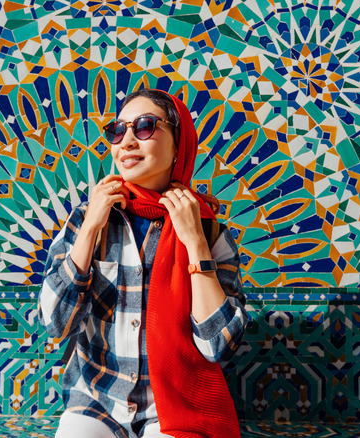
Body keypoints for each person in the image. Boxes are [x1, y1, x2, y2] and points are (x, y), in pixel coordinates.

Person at [39, 89, 249, 438]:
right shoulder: (87, 218)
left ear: (179, 144)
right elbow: (54, 323)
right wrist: (90, 227)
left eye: (146, 127)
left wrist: (194, 242)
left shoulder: (207, 229)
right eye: (118, 131)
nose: (127, 141)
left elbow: (219, 346)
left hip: (175, 407)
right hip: (97, 400)